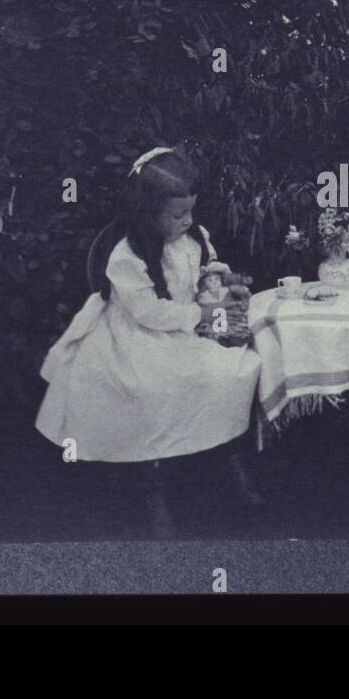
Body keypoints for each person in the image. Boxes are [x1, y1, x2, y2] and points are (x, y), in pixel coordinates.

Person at [35, 145, 263, 508]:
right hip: (138, 335)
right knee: (152, 386)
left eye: (190, 211)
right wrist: (200, 317)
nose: (186, 221)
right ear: (147, 212)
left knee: (232, 371)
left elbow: (205, 266)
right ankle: (153, 477)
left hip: (186, 325)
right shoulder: (129, 255)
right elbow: (148, 312)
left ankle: (226, 454)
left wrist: (215, 275)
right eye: (177, 215)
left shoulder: (195, 237)